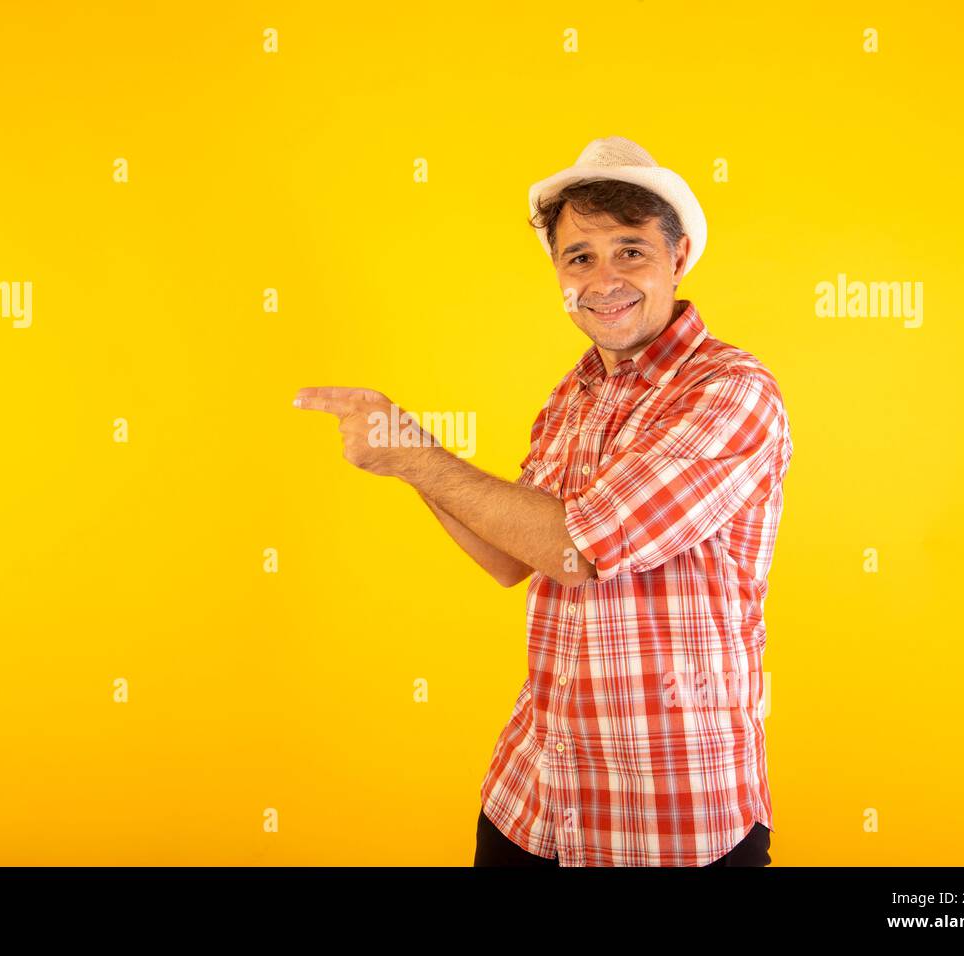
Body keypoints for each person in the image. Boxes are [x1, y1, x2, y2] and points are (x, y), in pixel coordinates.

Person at [294, 136, 793, 867]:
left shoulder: (727, 390)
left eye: (630, 251)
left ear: (679, 258)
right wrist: (408, 462)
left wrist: (415, 453)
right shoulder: (573, 393)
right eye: (579, 257)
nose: (603, 278)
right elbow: (509, 557)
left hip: (669, 816)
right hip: (534, 795)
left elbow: (581, 548)